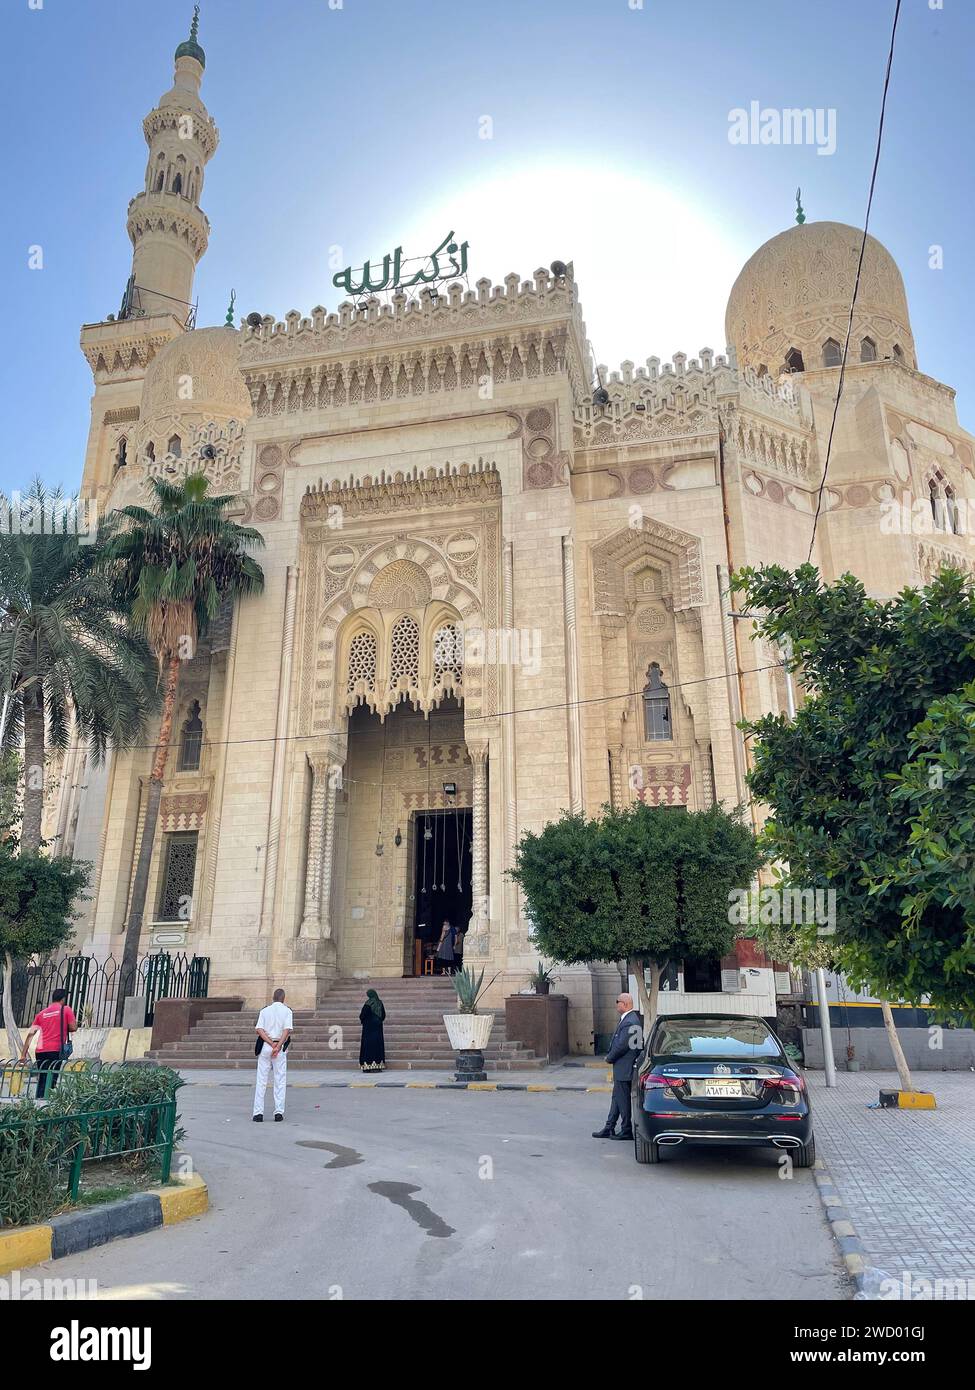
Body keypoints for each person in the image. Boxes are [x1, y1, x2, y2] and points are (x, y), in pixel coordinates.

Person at [592, 991, 643, 1140]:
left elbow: (622, 1045)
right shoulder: (633, 1019)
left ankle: (626, 1129)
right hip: (625, 1067)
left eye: (618, 1001)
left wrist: (609, 1057)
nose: (616, 1004)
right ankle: (609, 1127)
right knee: (617, 1098)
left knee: (623, 1100)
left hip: (624, 1067)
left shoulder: (628, 1021)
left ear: (625, 1004)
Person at [20, 988, 77, 1098]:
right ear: (63, 999)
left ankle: (38, 1104)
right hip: (55, 1050)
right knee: (52, 1079)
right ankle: (46, 1104)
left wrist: (23, 1054)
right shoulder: (65, 1010)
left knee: (42, 1078)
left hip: (40, 1051)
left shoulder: (42, 1013)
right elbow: (73, 1027)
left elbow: (30, 1034)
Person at [253, 987, 293, 1123]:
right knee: (280, 1079)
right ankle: (278, 1112)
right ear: (284, 998)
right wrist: (277, 1046)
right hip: (279, 1047)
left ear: (273, 998)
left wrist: (270, 1043)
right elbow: (286, 1031)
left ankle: (258, 1113)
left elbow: (259, 1029)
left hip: (265, 1046)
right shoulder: (287, 1011)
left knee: (261, 1079)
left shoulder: (264, 1011)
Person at [358, 989, 386, 1072]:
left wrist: (364, 1021)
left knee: (368, 1047)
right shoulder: (380, 1003)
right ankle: (377, 1067)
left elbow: (362, 1015)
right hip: (377, 1029)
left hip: (368, 1030)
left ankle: (367, 1067)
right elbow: (383, 1015)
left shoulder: (368, 1003)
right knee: (377, 1046)